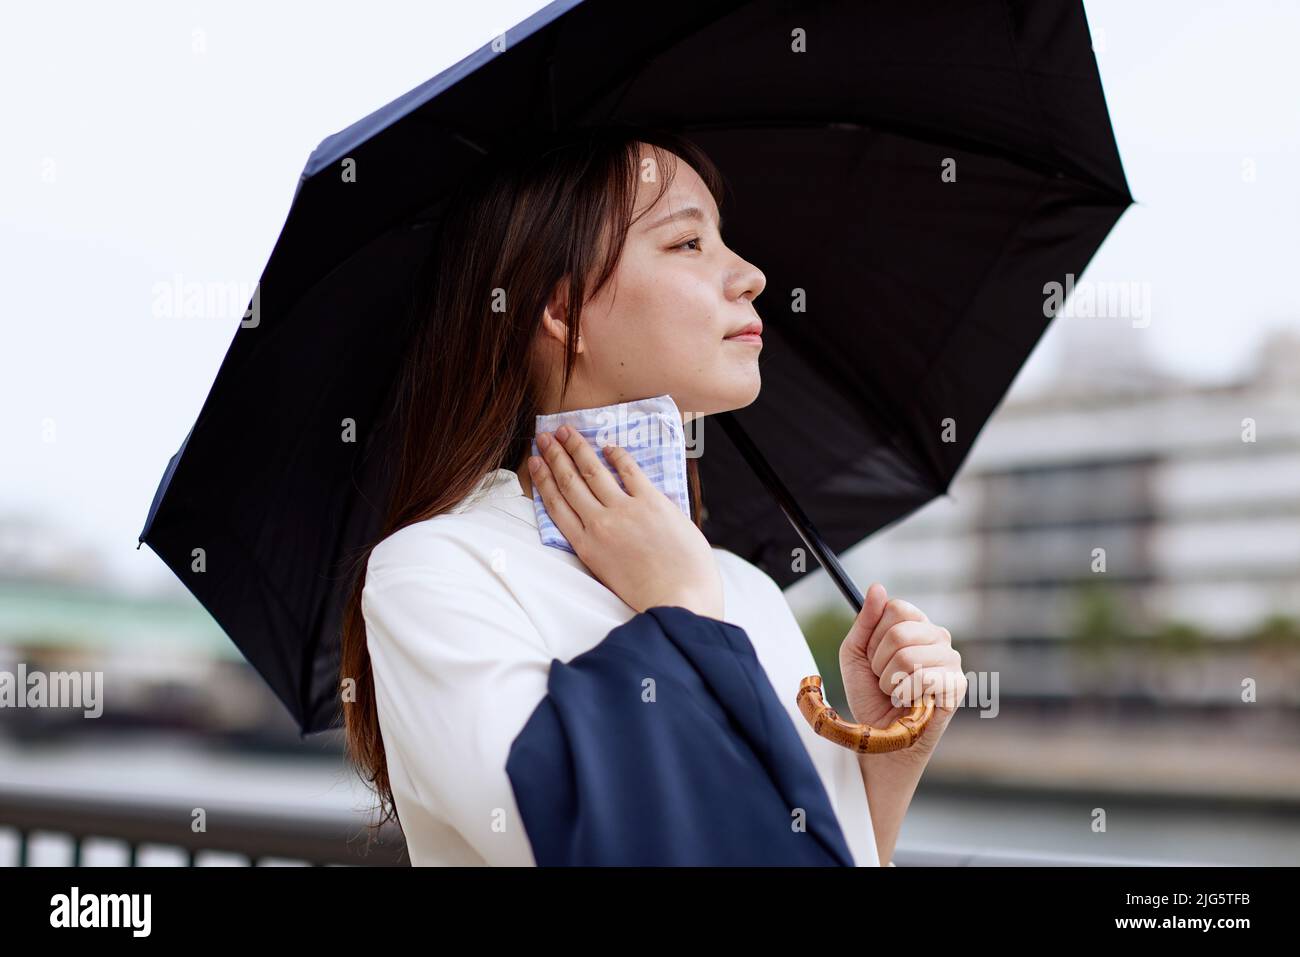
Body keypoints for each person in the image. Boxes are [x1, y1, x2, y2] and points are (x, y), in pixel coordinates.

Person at [339, 125, 965, 866]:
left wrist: (884, 770)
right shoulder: (437, 570)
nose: (751, 274)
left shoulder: (743, 586)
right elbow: (592, 840)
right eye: (688, 244)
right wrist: (681, 615)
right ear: (563, 311)